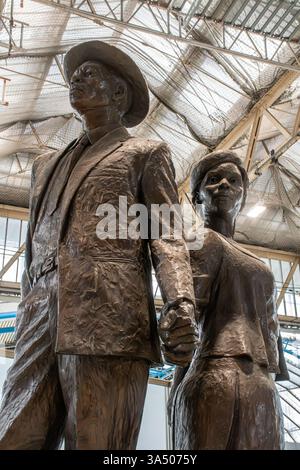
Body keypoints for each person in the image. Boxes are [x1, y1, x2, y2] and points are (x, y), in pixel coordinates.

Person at [0, 40, 198, 450]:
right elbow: (36, 247)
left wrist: (179, 302)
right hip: (39, 317)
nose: (76, 78)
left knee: (98, 442)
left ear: (119, 93)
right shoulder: (44, 165)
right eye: (74, 74)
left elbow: (166, 232)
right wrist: (26, 309)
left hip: (109, 317)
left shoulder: (144, 153)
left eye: (90, 73)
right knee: (14, 436)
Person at [169, 150, 288, 450]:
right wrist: (176, 384)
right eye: (213, 180)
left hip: (260, 384)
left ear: (243, 196)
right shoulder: (202, 241)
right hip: (218, 372)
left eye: (233, 180)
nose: (224, 185)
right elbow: (187, 313)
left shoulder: (257, 263)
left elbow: (272, 337)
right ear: (197, 197)